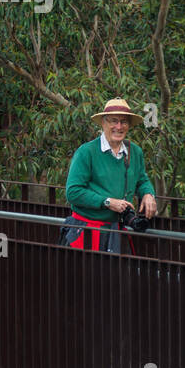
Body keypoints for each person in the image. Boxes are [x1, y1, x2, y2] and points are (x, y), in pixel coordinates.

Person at [62, 97, 157, 254]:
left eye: (124, 122)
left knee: (119, 278)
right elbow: (73, 192)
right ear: (103, 123)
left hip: (118, 232)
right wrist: (107, 202)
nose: (118, 126)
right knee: (88, 278)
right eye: (113, 121)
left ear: (129, 126)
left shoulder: (135, 152)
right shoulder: (87, 152)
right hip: (87, 233)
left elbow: (142, 180)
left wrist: (148, 193)